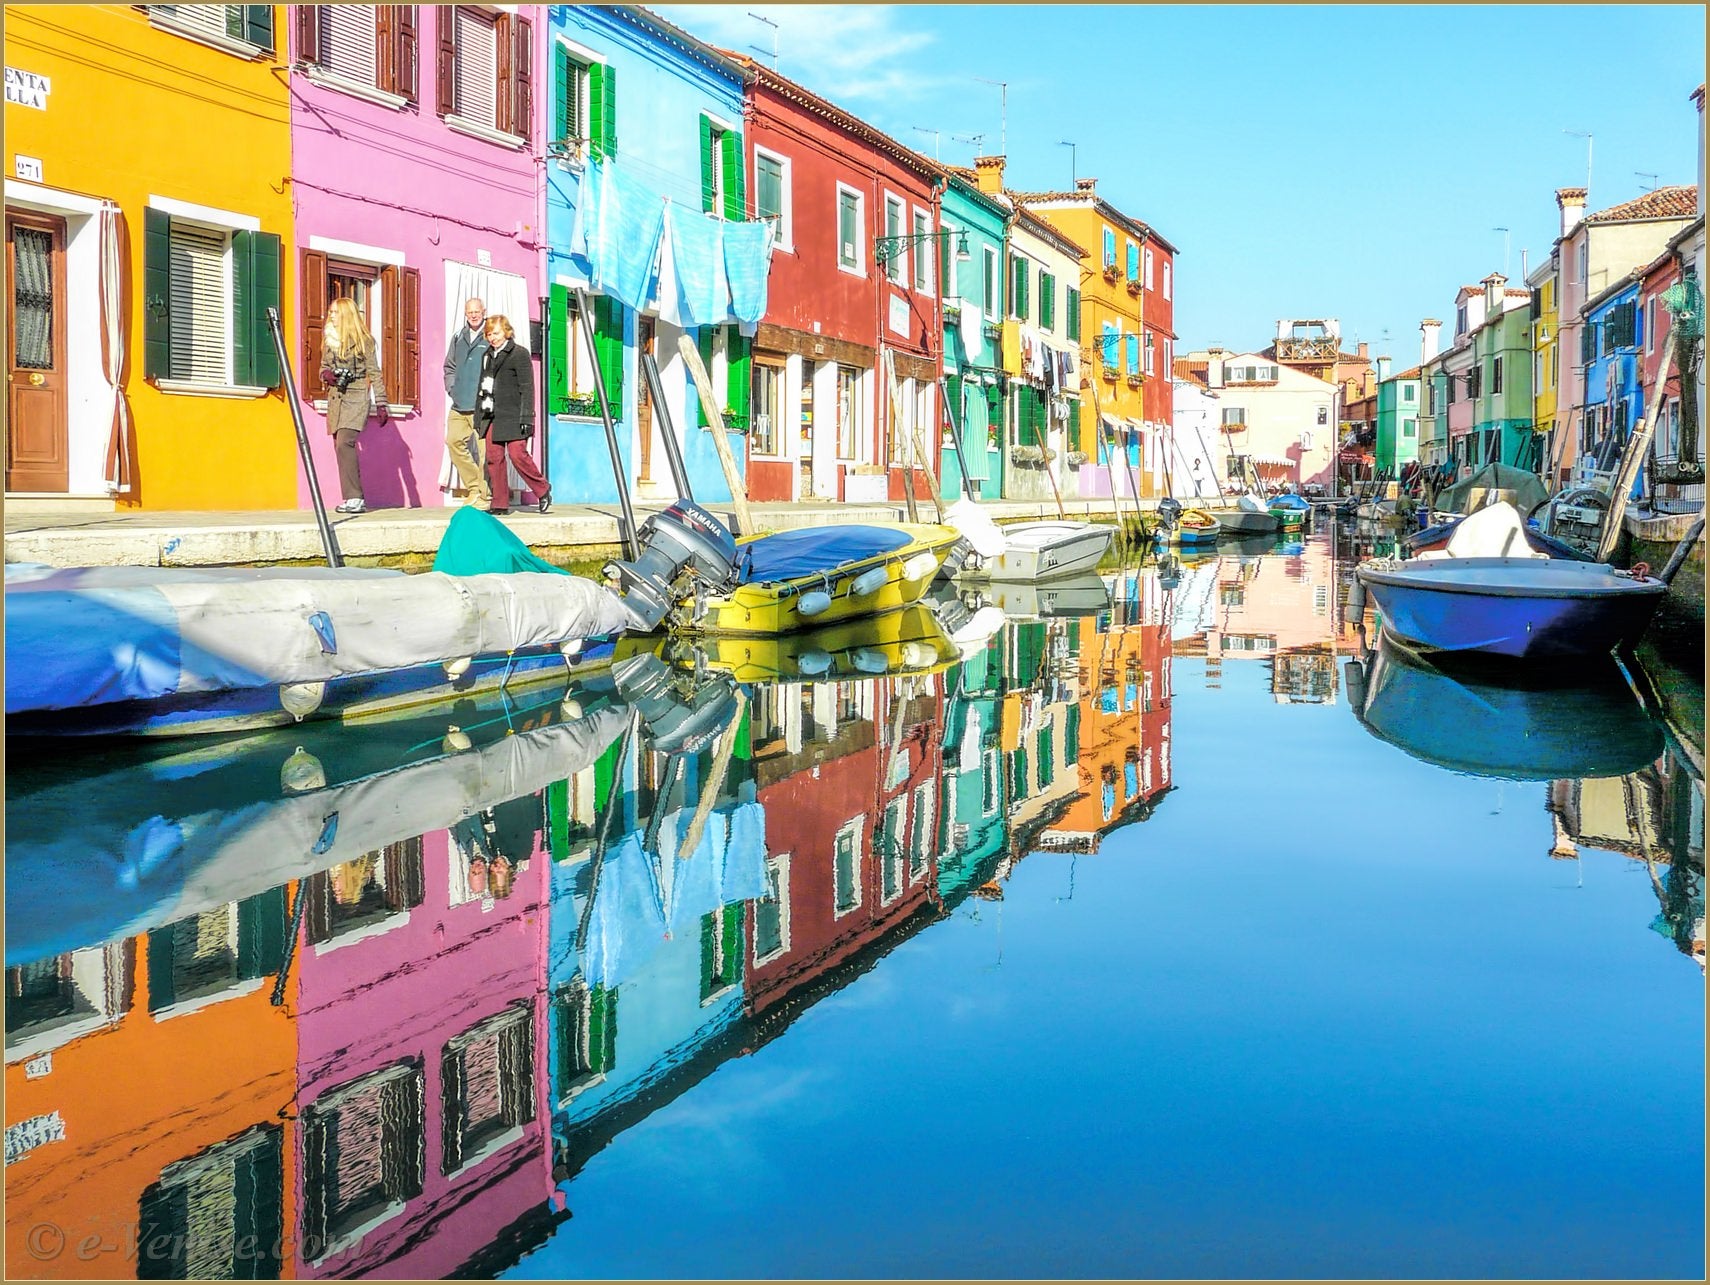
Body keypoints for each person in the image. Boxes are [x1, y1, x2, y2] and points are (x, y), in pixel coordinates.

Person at [476, 314, 551, 514]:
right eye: (489, 334)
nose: (493, 337)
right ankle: (499, 503)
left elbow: (527, 388)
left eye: (496, 333)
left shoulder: (519, 353)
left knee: (518, 455)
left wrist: (527, 418)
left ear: (507, 332)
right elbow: (482, 387)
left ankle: (542, 490)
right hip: (492, 414)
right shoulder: (487, 356)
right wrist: (478, 417)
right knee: (493, 457)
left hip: (515, 415)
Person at [321, 296, 388, 514]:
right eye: (330, 312)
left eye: (334, 312)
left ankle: (355, 498)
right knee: (340, 448)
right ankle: (352, 497)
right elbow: (323, 367)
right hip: (336, 397)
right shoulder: (330, 339)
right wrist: (328, 375)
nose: (330, 316)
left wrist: (381, 402)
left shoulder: (364, 340)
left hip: (357, 396)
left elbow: (374, 372)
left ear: (345, 315)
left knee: (344, 443)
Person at [442, 297, 493, 510]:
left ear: (484, 311)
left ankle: (485, 496)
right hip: (459, 402)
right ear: (465, 313)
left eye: (477, 311)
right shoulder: (458, 336)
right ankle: (474, 487)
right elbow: (449, 366)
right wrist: (451, 388)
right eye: (469, 311)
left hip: (481, 404)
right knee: (453, 442)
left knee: (484, 452)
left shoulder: (490, 335)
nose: (473, 315)